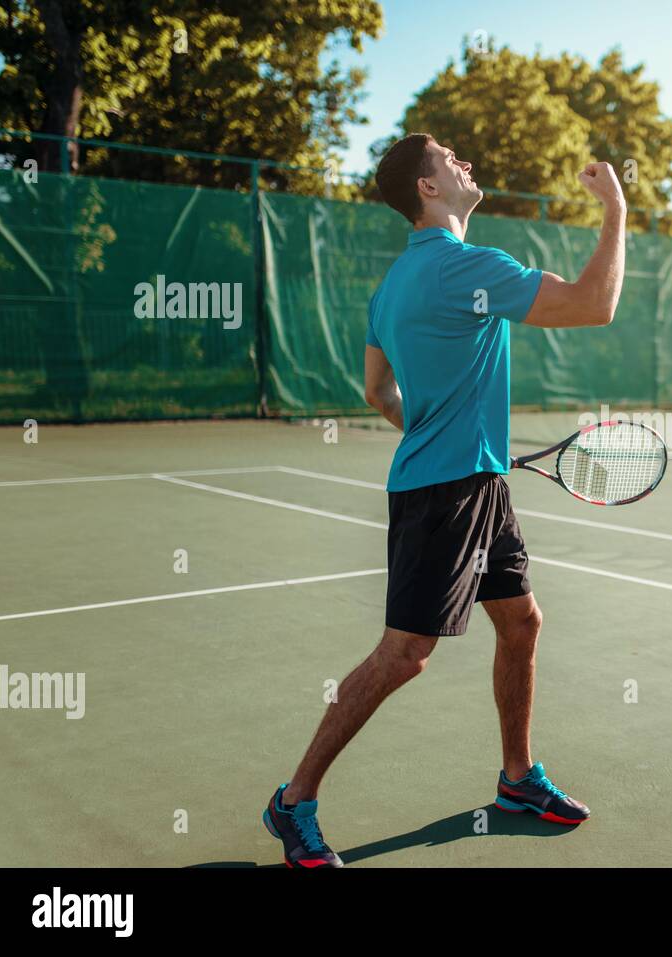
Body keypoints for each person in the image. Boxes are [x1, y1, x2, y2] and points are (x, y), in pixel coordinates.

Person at [262, 133, 627, 868]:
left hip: (475, 481)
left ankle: (518, 779)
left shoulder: (392, 285)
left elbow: (376, 392)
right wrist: (614, 208)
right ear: (427, 188)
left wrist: (444, 430)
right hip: (443, 494)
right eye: (449, 157)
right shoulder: (467, 269)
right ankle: (293, 799)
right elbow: (594, 304)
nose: (464, 159)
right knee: (404, 655)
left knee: (521, 621)